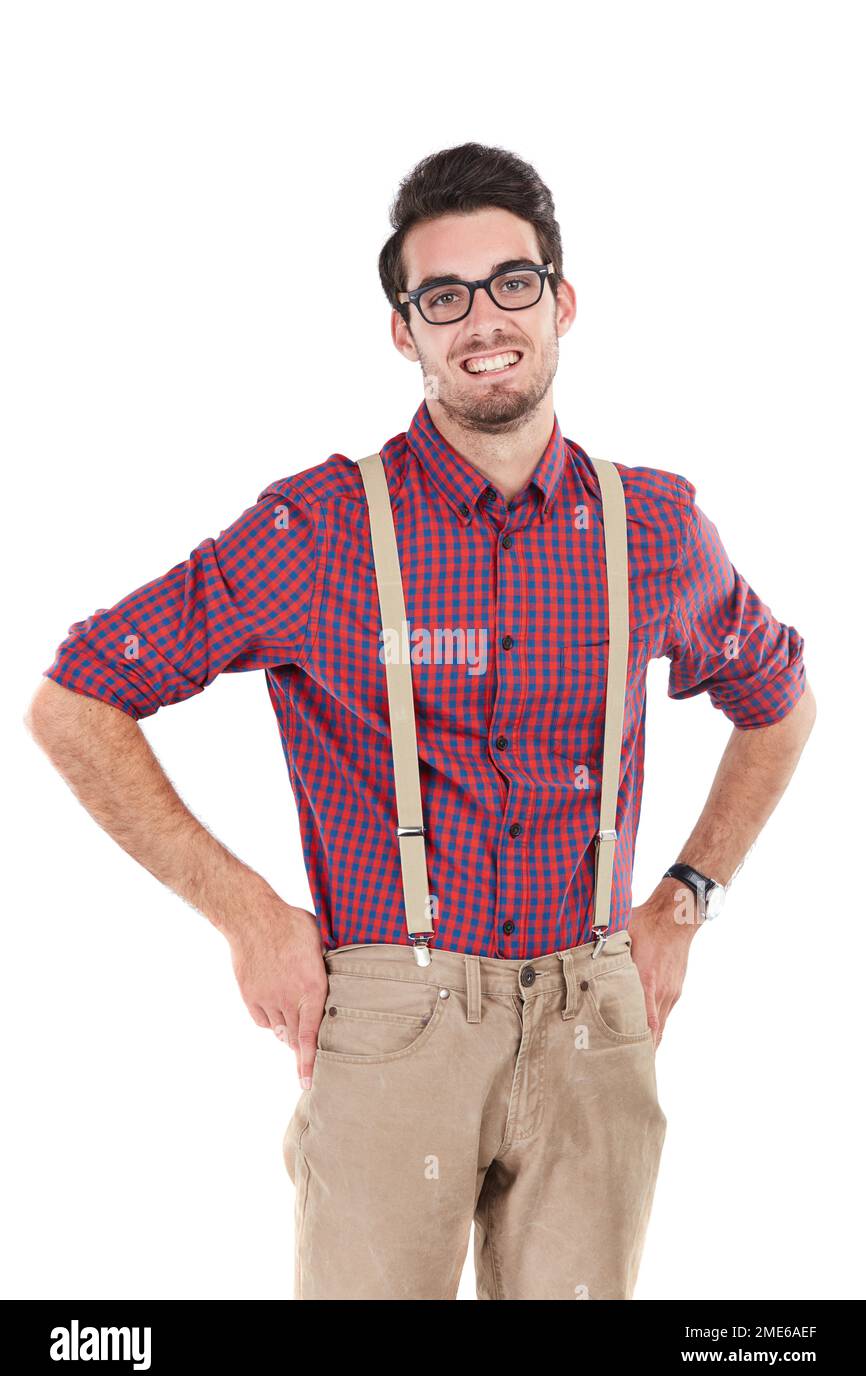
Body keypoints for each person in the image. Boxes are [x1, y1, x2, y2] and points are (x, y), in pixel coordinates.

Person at [25, 141, 816, 1300]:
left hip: (595, 1014)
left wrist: (683, 901)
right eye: (441, 296)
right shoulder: (315, 532)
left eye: (510, 282)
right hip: (392, 1022)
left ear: (561, 300)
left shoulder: (654, 529)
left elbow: (777, 706)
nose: (480, 318)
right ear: (404, 330)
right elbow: (76, 697)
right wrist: (245, 914)